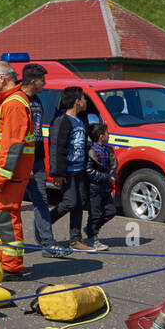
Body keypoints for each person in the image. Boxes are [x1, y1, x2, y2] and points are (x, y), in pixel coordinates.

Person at [0, 61, 35, 277]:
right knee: (0, 218)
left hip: (8, 175)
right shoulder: (10, 101)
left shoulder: (13, 104)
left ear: (2, 78)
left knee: (7, 218)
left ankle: (12, 267)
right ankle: (1, 260)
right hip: (5, 173)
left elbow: (12, 147)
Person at [20, 63, 67, 258]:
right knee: (8, 204)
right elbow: (16, 136)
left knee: (41, 200)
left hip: (37, 160)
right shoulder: (18, 100)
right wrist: (23, 163)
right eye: (42, 80)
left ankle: (47, 243)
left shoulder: (37, 100)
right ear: (32, 81)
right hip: (19, 163)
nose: (45, 84)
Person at [48, 86, 96, 252]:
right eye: (84, 98)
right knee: (70, 202)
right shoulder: (62, 121)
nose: (86, 101)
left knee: (79, 203)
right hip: (66, 171)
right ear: (77, 101)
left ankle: (75, 239)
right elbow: (56, 148)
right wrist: (57, 173)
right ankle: (44, 223)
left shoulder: (81, 120)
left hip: (79, 170)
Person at [84, 122, 118, 250]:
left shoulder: (108, 150)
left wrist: (114, 176)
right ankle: (92, 238)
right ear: (101, 136)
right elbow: (89, 171)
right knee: (95, 214)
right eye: (107, 133)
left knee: (111, 211)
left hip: (106, 188)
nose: (109, 135)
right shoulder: (92, 151)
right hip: (95, 189)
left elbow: (114, 167)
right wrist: (107, 178)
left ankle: (90, 230)